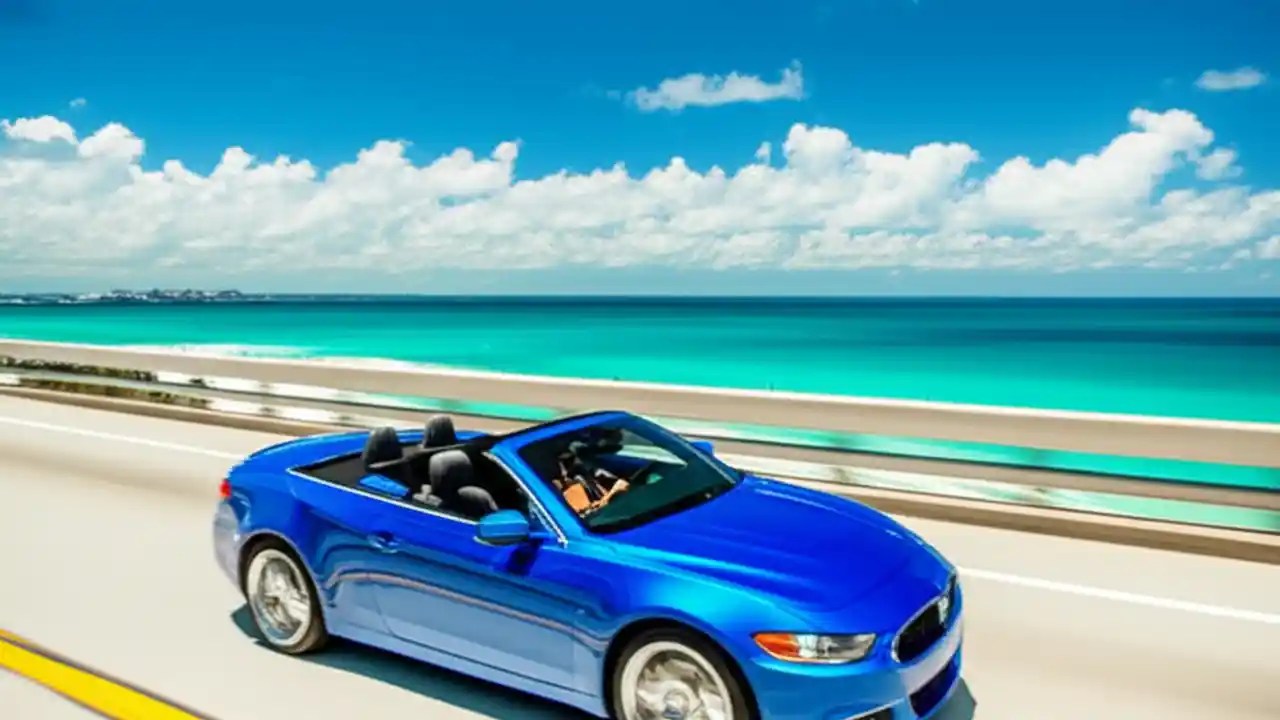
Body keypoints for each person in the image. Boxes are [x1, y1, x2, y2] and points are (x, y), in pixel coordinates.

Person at [553, 447, 629, 514]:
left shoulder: (598, 475)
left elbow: (625, 487)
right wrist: (613, 492)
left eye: (571, 461)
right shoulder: (569, 493)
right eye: (566, 465)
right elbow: (590, 514)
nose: (565, 471)